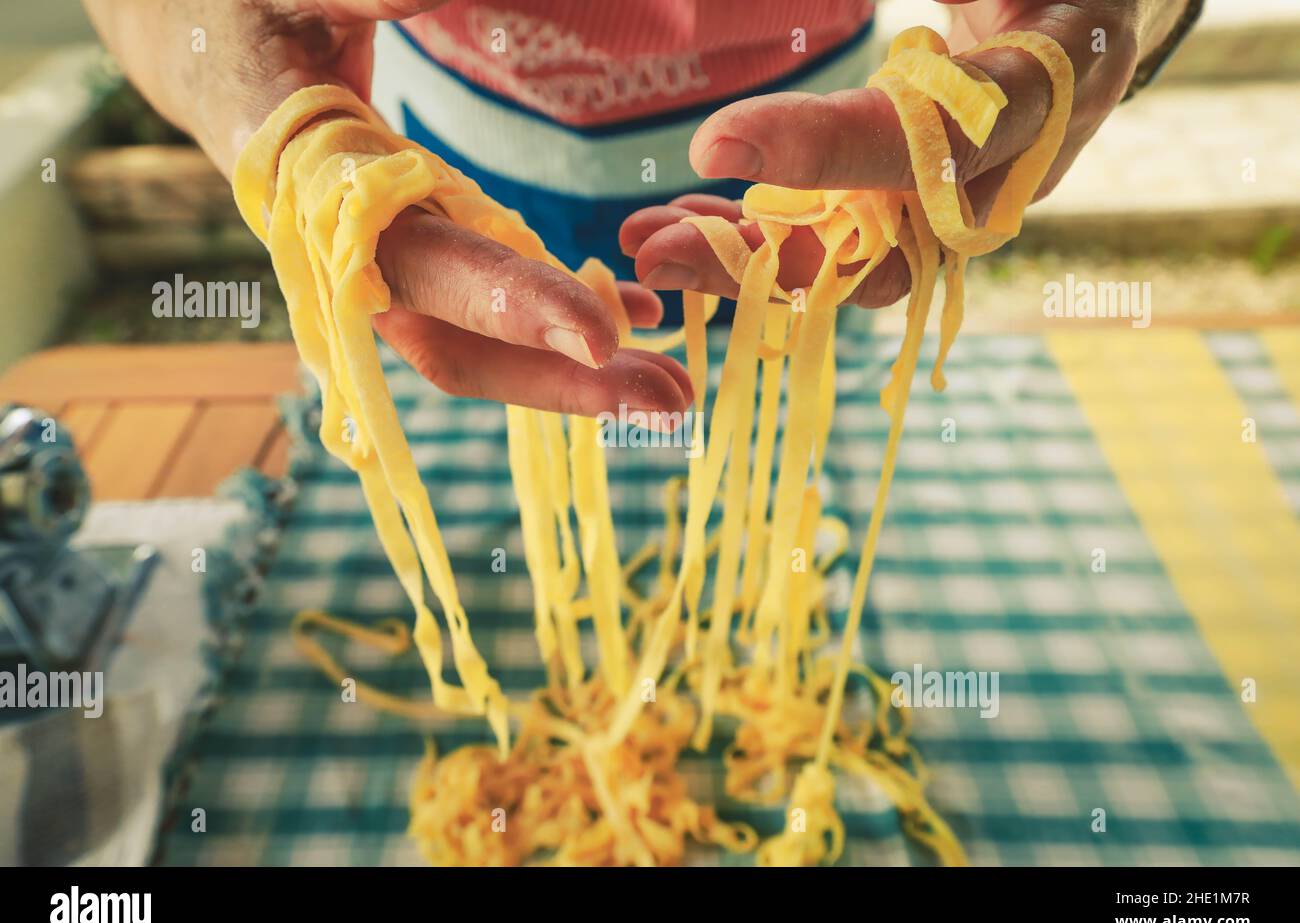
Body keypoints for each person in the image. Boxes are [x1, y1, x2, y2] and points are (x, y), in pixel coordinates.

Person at [83, 0, 1199, 419]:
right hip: (431, 216)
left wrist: (1099, 25)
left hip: (823, 216)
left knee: (800, 552)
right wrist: (258, 110)